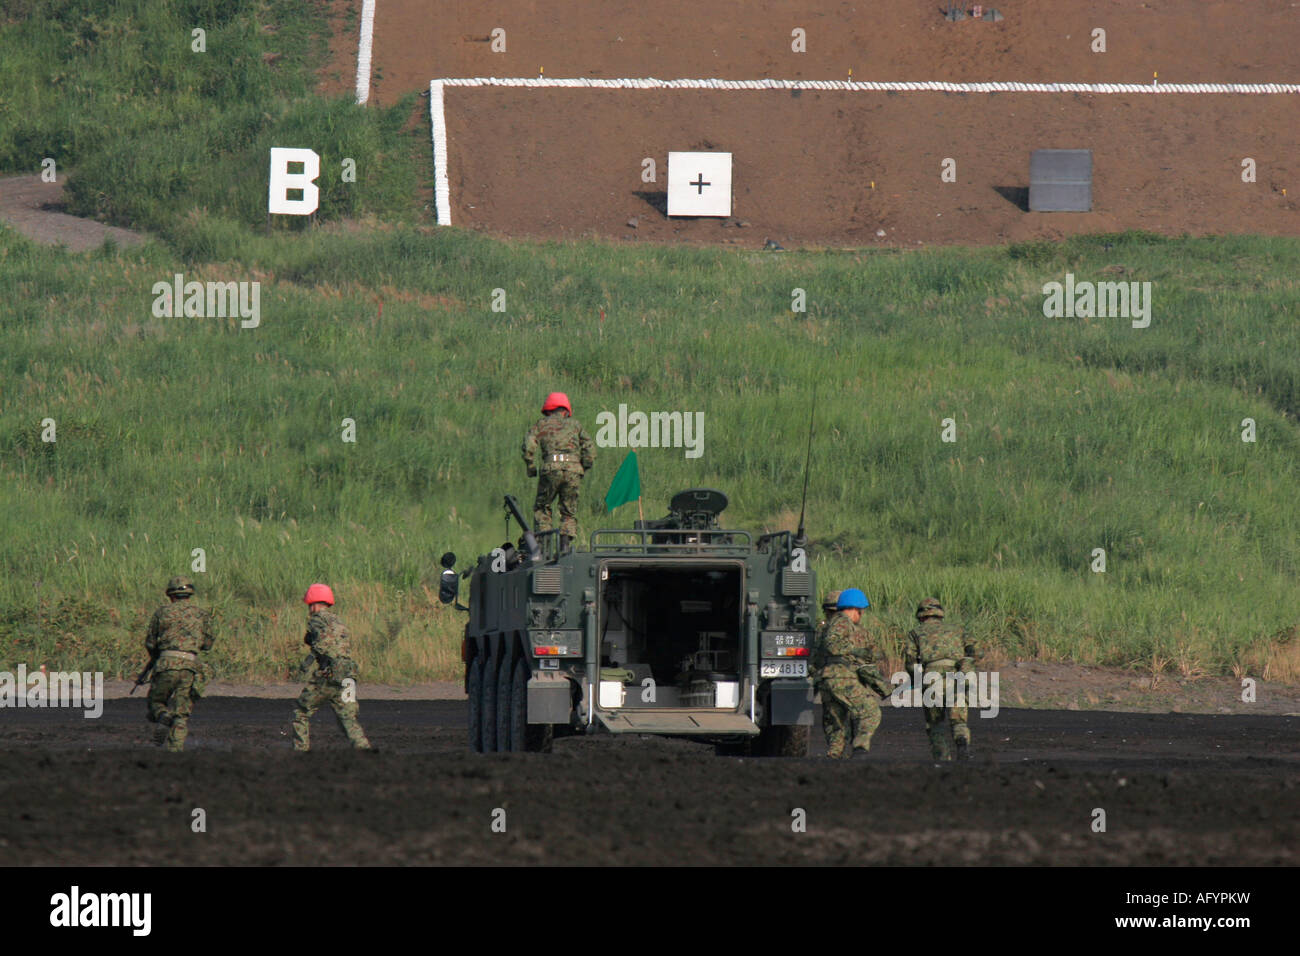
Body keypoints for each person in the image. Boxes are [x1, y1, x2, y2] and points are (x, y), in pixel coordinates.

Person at [811, 588, 893, 759]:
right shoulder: (843, 623)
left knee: (837, 727)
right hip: (843, 677)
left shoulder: (824, 629)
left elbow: (815, 660)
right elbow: (835, 647)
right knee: (870, 712)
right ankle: (860, 750)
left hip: (827, 680)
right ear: (855, 609)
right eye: (860, 612)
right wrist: (858, 652)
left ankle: (834, 761)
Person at [292, 584, 372, 751]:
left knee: (301, 712)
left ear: (313, 604)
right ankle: (364, 750)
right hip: (348, 674)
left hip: (328, 673)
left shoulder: (317, 619)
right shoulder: (337, 620)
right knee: (348, 717)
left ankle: (300, 752)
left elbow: (320, 644)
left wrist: (305, 665)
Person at [144, 575, 215, 752]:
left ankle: (163, 715)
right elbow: (208, 644)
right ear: (190, 594)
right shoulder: (201, 614)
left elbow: (151, 643)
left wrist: (156, 659)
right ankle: (175, 753)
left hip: (166, 664)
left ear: (170, 595)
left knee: (156, 703)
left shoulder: (162, 613)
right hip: (190, 667)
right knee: (181, 714)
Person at [521, 392, 595, 552]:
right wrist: (583, 466)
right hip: (573, 470)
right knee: (568, 511)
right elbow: (589, 448)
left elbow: (528, 446)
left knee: (542, 507)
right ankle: (565, 547)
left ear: (548, 410)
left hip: (550, 468)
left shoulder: (541, 425)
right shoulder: (576, 425)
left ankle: (544, 549)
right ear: (565, 410)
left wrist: (531, 466)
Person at [906, 598, 974, 760]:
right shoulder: (958, 629)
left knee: (935, 724)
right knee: (958, 720)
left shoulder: (916, 633)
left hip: (931, 678)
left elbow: (910, 661)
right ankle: (962, 742)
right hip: (956, 676)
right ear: (939, 614)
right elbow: (974, 651)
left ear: (922, 616)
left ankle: (942, 759)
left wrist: (917, 679)